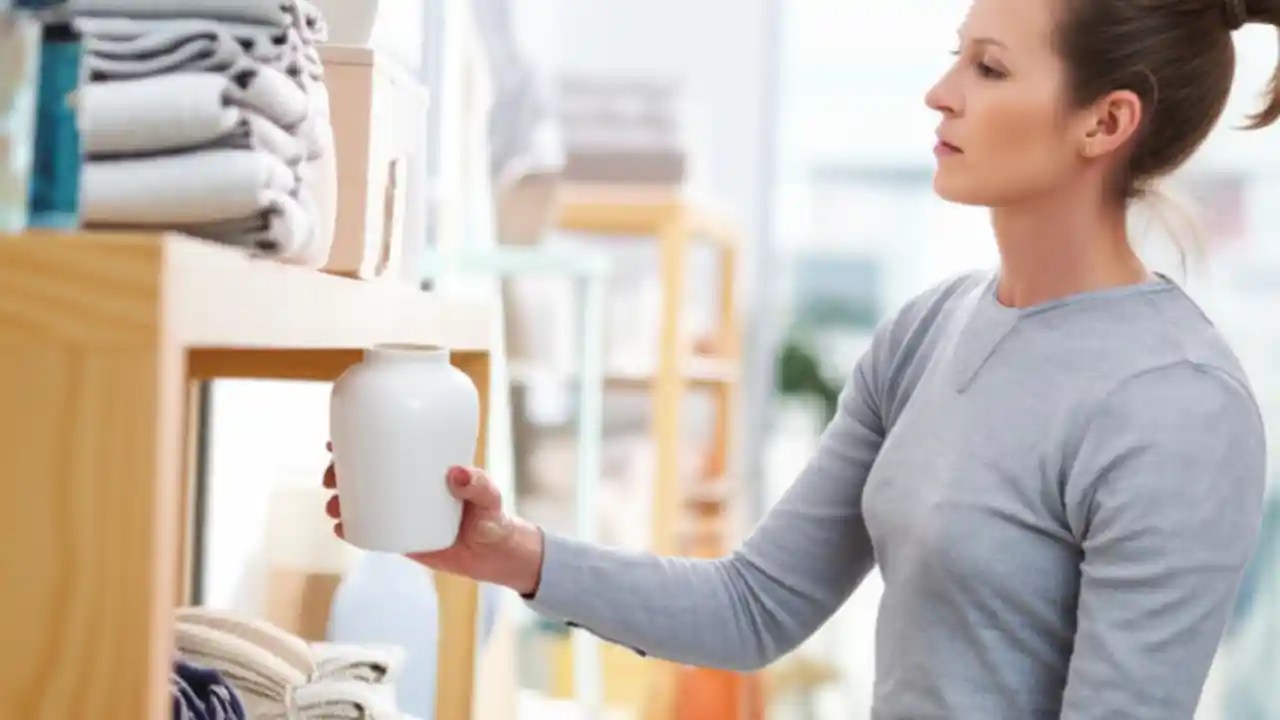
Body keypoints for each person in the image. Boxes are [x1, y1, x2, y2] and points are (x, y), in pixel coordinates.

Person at [323, 0, 1275, 715]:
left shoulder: (1175, 406)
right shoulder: (927, 331)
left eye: (989, 69)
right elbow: (751, 609)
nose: (941, 92)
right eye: (957, 57)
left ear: (1104, 124)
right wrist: (510, 553)